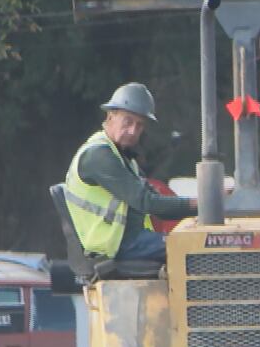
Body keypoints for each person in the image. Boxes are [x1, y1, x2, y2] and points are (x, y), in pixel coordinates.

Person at [63, 83, 196, 263]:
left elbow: (156, 203)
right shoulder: (99, 156)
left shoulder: (124, 159)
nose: (133, 131)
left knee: (195, 240)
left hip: (130, 241)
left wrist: (198, 210)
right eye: (128, 121)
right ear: (111, 116)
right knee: (194, 247)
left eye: (139, 125)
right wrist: (201, 204)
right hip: (116, 245)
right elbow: (147, 202)